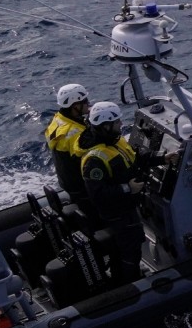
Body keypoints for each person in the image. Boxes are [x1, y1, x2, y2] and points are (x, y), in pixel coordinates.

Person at [78, 101, 144, 284]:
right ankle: (129, 285)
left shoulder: (116, 142)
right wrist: (127, 188)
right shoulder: (94, 159)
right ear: (106, 127)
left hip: (127, 208)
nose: (121, 124)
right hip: (118, 215)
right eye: (116, 122)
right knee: (130, 251)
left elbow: (134, 159)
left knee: (131, 247)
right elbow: (97, 194)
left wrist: (162, 158)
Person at [45, 84, 92, 197]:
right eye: (85, 101)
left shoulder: (58, 119)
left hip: (67, 183)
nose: (88, 103)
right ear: (75, 106)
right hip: (82, 188)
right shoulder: (75, 134)